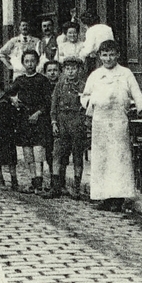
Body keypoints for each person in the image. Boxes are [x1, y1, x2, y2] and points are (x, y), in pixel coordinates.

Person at [80, 39, 142, 212]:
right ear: (99, 56)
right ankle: (104, 196)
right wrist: (92, 102)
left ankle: (118, 197)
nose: (108, 58)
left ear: (117, 55)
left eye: (111, 55)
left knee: (118, 159)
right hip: (100, 122)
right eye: (104, 55)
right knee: (102, 160)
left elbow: (137, 93)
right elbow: (85, 96)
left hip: (118, 121)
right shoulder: (95, 75)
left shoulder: (125, 74)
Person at [7, 48, 54, 194]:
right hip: (24, 119)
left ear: (37, 62)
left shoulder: (42, 80)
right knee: (27, 150)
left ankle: (39, 181)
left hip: (39, 119)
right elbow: (8, 94)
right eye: (26, 61)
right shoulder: (19, 80)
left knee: (38, 150)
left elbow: (48, 102)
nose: (30, 64)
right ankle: (33, 180)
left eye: (32, 61)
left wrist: (38, 113)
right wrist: (13, 100)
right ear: (22, 63)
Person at [48, 56, 89, 199]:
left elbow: (87, 107)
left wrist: (84, 123)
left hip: (77, 124)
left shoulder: (84, 86)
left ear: (79, 70)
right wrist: (54, 122)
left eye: (74, 69)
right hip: (62, 123)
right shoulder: (60, 85)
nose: (70, 72)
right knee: (58, 155)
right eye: (67, 69)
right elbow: (53, 105)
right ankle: (56, 187)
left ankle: (77, 189)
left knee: (77, 157)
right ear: (64, 70)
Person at [79, 8, 114, 75]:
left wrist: (81, 55)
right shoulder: (107, 28)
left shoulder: (91, 30)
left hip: (98, 57)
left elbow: (89, 48)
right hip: (110, 55)